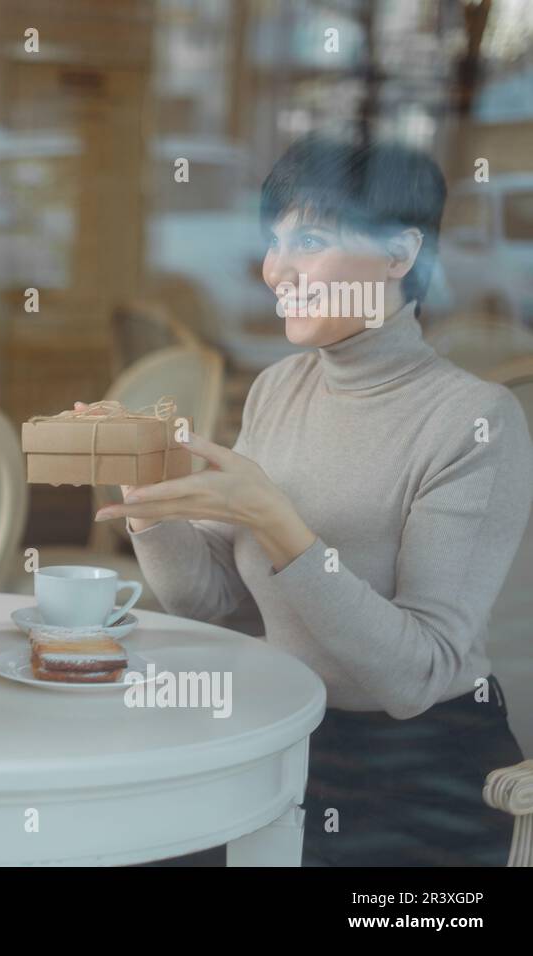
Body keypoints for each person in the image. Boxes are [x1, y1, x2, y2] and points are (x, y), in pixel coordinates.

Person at [95, 135, 532, 865]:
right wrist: (145, 493)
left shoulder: (474, 419)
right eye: (274, 242)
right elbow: (206, 598)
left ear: (399, 256)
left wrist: (275, 519)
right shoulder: (280, 387)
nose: (275, 270)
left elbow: (415, 676)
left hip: (419, 776)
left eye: (310, 241)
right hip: (282, 736)